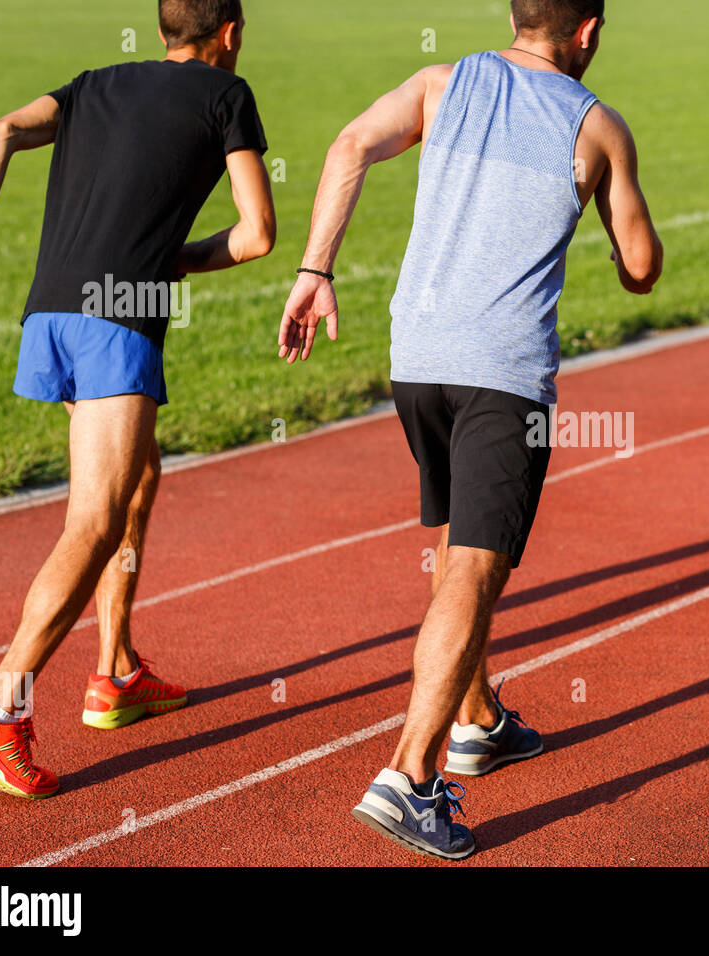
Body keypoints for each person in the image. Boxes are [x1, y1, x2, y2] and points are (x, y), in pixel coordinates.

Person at [278, 0, 662, 858]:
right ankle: (411, 776)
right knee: (479, 566)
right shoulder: (598, 127)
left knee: (460, 548)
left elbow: (347, 147)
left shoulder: (442, 83)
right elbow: (640, 267)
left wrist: (315, 270)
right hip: (501, 373)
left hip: (417, 358)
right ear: (589, 30)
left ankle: (478, 719)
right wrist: (607, 214)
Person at [0, 0, 275, 798]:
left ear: (163, 29)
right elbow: (256, 232)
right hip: (116, 322)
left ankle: (115, 670)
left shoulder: (93, 83)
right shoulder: (229, 95)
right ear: (228, 32)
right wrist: (173, 261)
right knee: (93, 522)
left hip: (50, 309)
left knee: (138, 477)